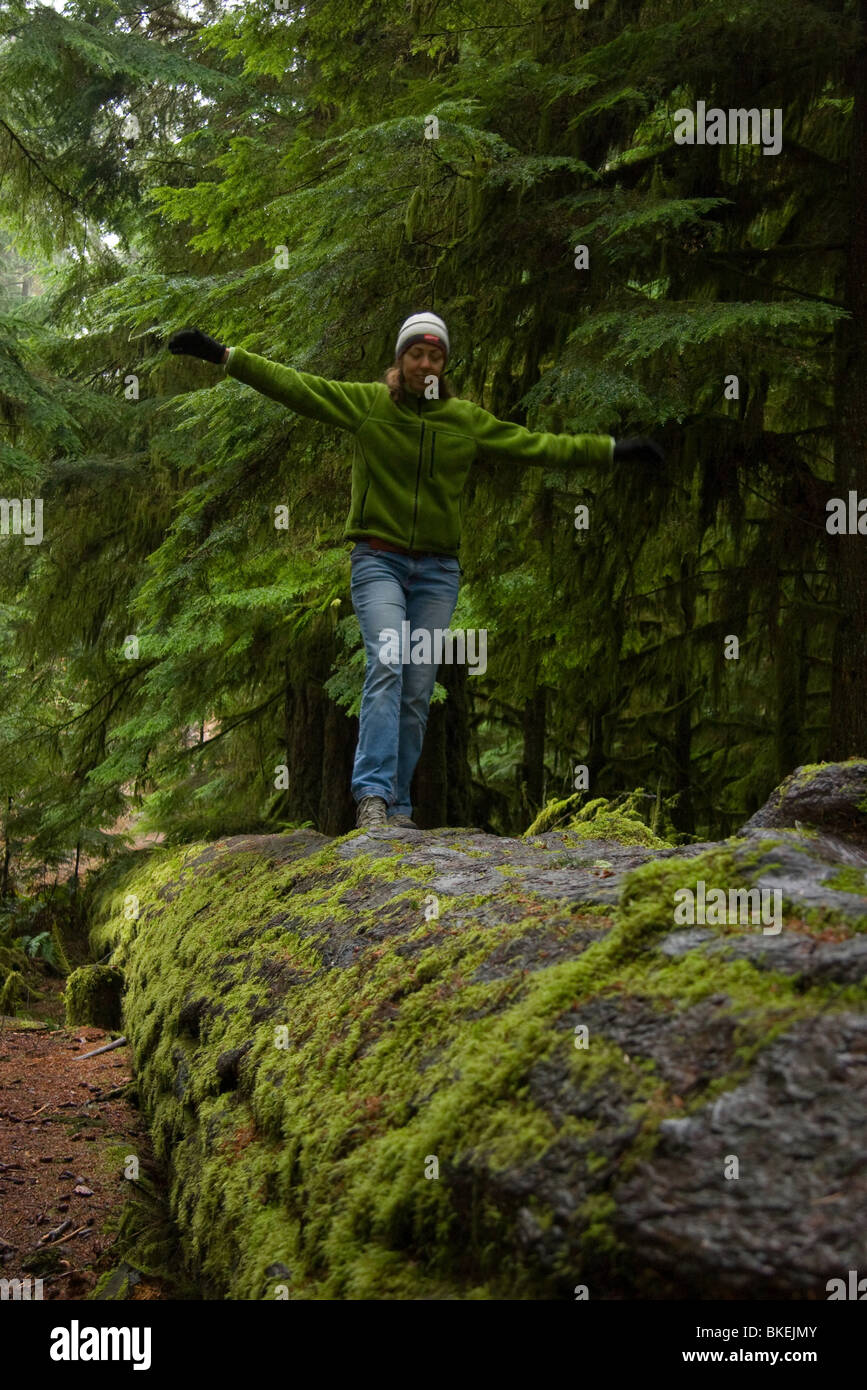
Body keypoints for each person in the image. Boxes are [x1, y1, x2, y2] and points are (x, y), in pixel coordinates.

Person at [168, 313, 663, 831]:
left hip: (437, 573)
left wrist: (614, 450)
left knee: (417, 687)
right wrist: (224, 355)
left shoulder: (464, 420)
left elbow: (538, 445)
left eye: (435, 355)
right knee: (387, 658)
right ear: (400, 360)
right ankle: (373, 800)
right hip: (377, 561)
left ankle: (399, 807)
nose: (425, 363)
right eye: (416, 353)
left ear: (442, 365)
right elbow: (298, 388)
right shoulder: (368, 406)